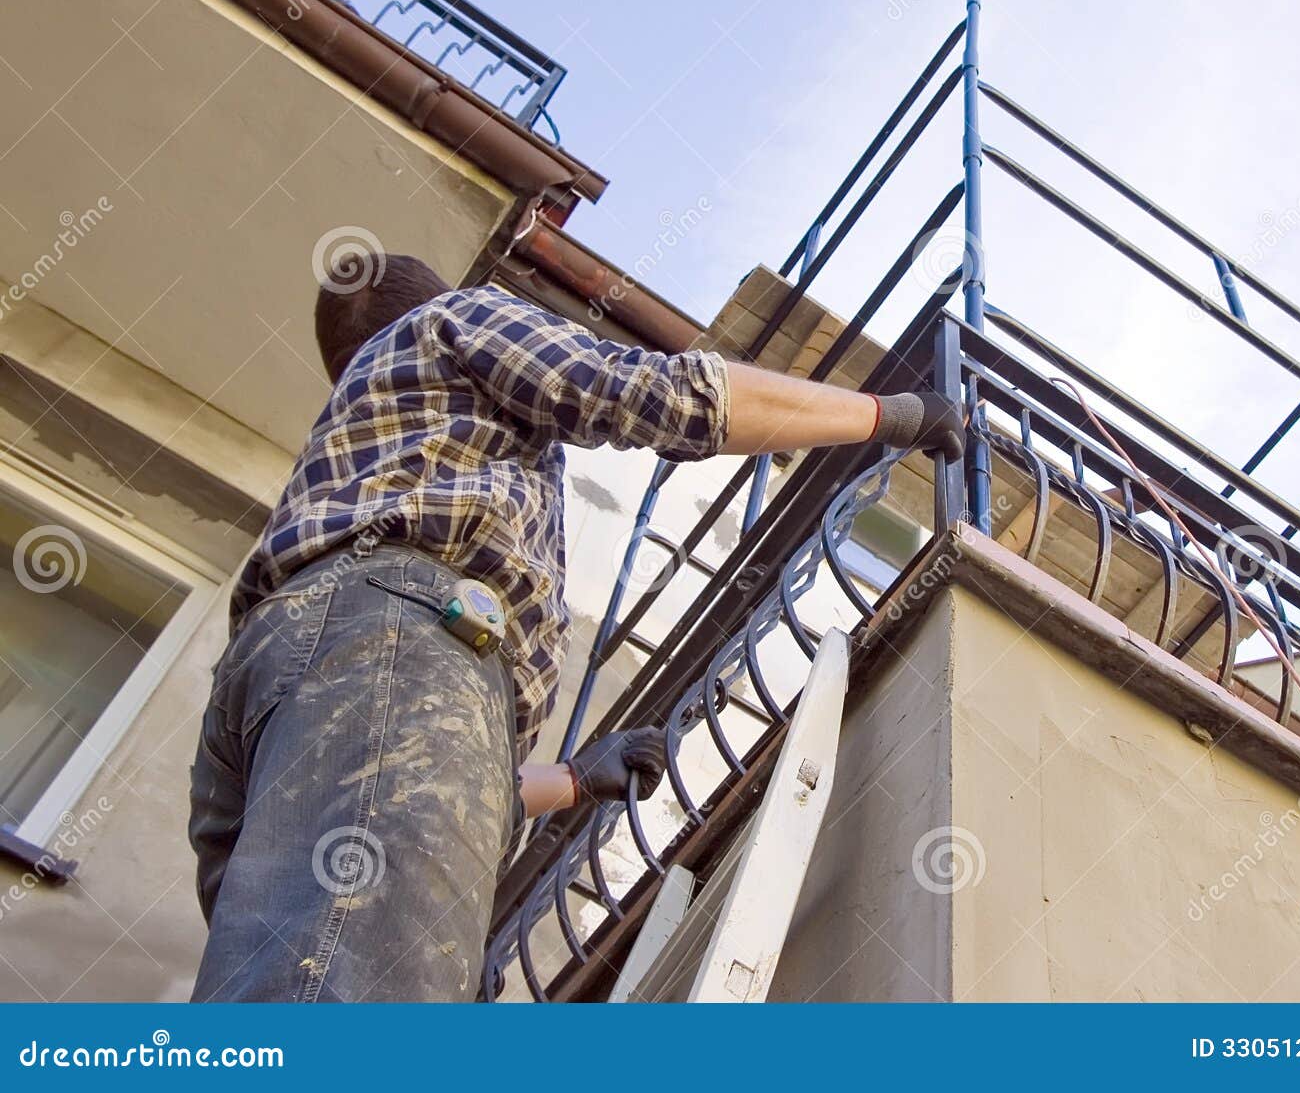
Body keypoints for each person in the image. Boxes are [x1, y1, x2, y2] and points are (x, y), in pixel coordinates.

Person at [188, 252, 962, 1002]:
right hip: (404, 630)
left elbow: (375, 767)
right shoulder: (452, 321)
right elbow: (648, 395)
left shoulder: (355, 462)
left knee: (290, 985)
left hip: (273, 696)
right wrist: (890, 414)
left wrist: (575, 779)